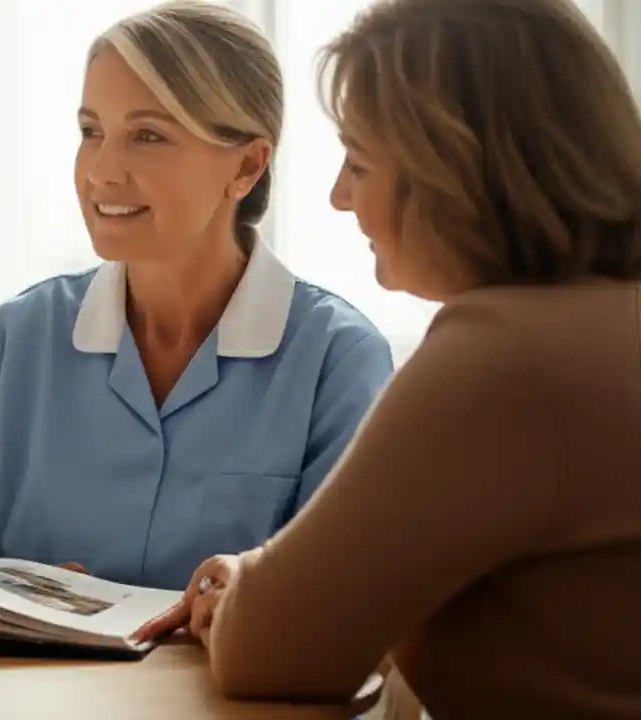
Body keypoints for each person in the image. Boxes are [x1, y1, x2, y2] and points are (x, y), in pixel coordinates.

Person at [137, 0, 641, 715]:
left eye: (360, 162)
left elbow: (276, 652)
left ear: (457, 172)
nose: (341, 197)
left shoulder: (507, 356)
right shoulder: (604, 328)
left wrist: (240, 588)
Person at [0, 1, 394, 591]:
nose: (102, 169)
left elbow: (336, 602)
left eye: (147, 135)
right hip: (30, 685)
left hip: (227, 687)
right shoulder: (17, 337)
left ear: (248, 166)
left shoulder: (338, 360)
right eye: (91, 131)